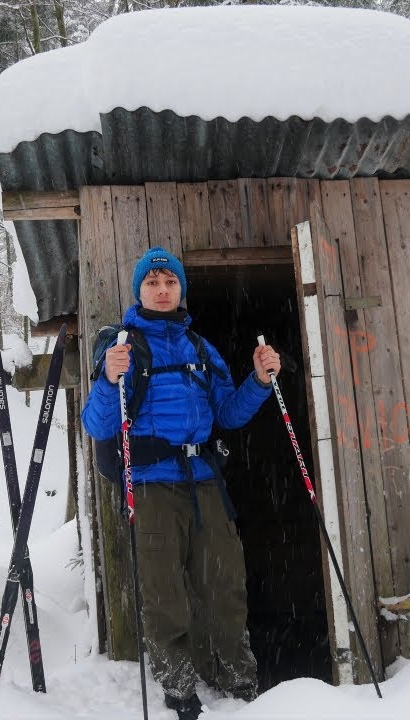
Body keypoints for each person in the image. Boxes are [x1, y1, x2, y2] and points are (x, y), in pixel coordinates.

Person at [82, 246, 282, 720]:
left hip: (205, 483)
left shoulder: (201, 348)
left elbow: (227, 414)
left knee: (226, 586)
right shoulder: (124, 348)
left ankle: (238, 684)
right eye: (152, 283)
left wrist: (258, 381)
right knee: (164, 594)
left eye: (170, 282)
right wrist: (108, 380)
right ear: (139, 291)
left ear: (181, 290)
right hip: (151, 486)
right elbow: (98, 425)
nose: (162, 289)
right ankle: (179, 692)